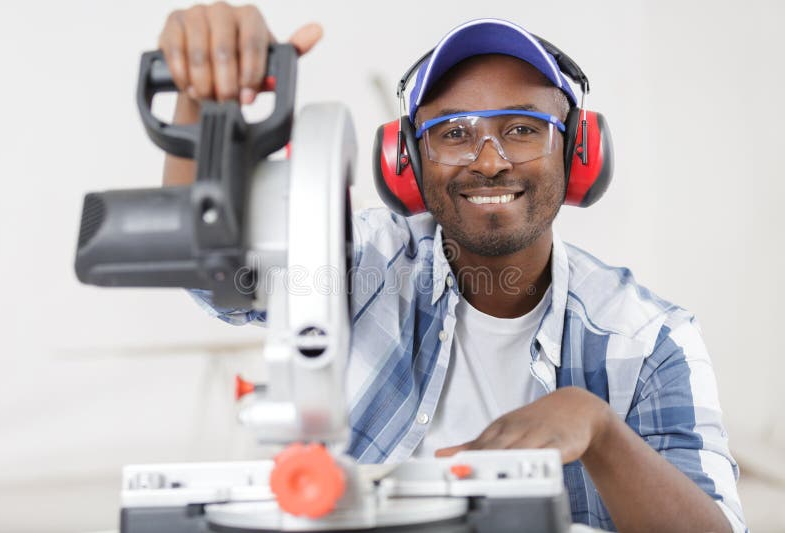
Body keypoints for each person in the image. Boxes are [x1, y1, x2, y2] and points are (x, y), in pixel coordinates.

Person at [157, 4, 745, 532]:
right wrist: (201, 99)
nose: (488, 162)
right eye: (454, 132)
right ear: (406, 162)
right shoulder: (362, 262)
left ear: (579, 153)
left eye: (521, 129)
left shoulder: (649, 342)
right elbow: (215, 280)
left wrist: (600, 432)